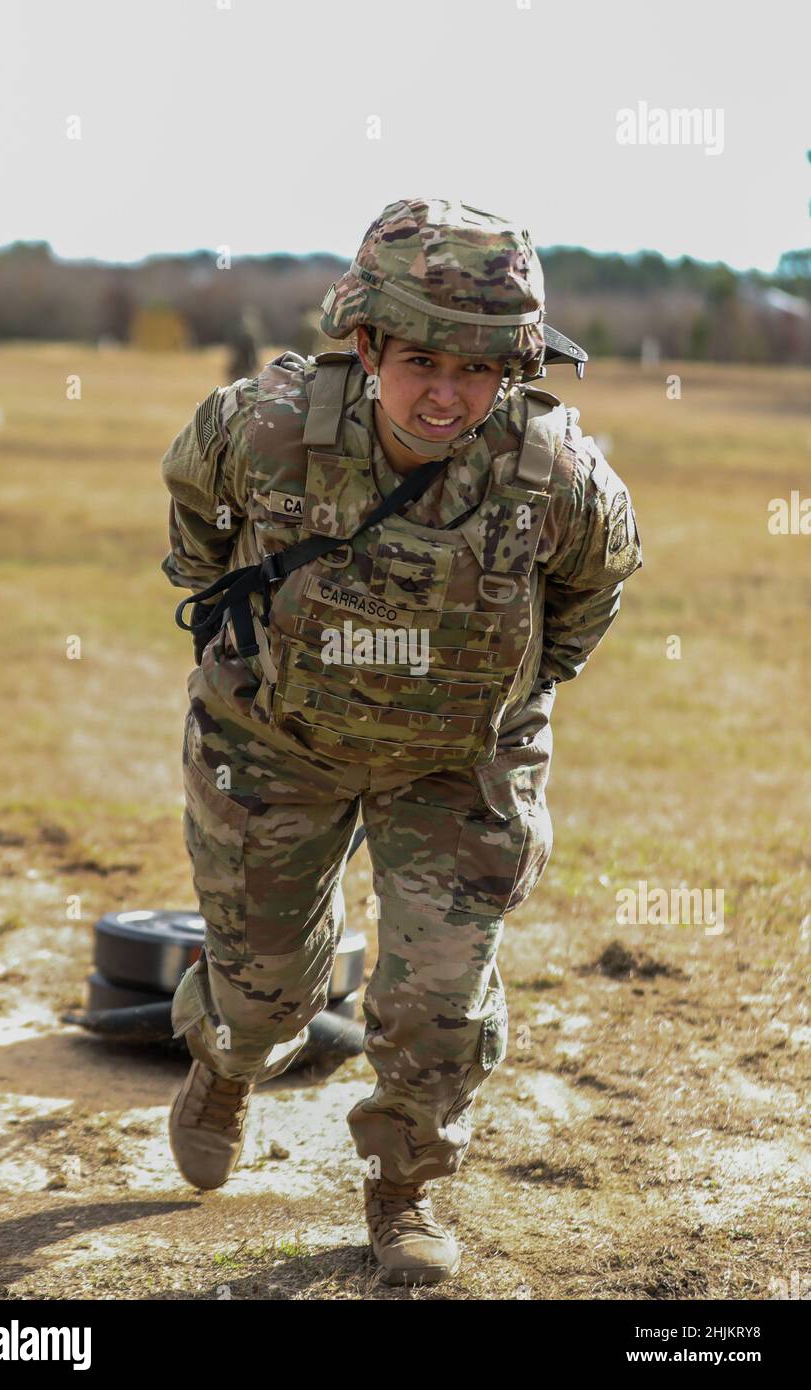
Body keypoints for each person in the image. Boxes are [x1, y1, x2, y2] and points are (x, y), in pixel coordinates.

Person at [158, 197, 643, 1286]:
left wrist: (520, 690)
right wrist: (226, 611)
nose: (446, 395)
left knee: (438, 998)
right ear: (367, 343)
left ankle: (403, 1187)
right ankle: (226, 1065)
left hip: (455, 764)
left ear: (512, 372)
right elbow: (194, 511)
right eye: (422, 359)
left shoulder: (551, 475)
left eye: (479, 372)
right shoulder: (264, 424)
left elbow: (597, 584)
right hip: (275, 741)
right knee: (265, 995)